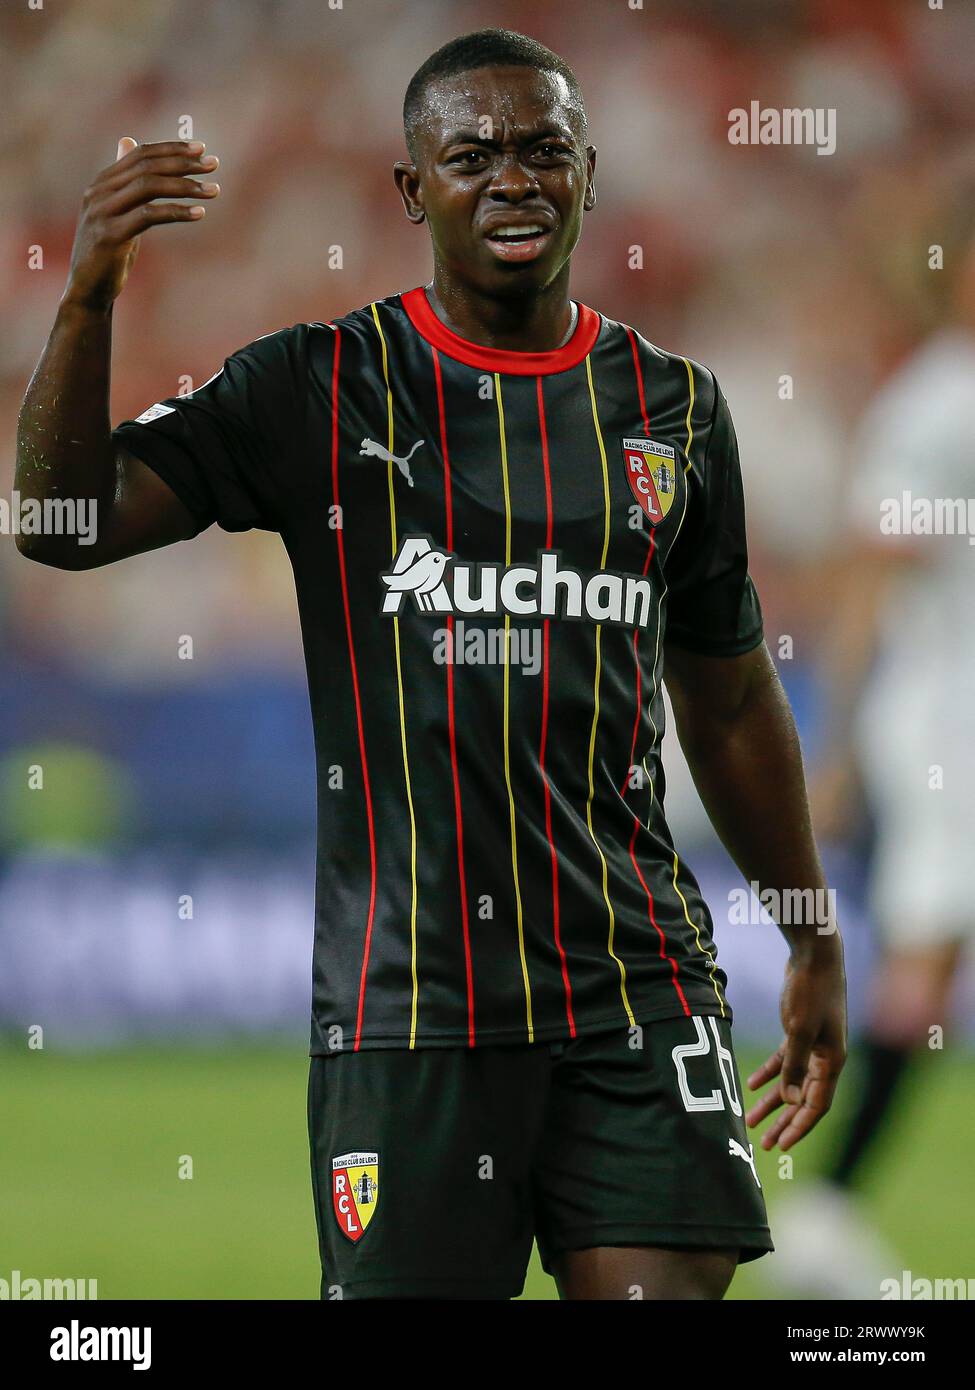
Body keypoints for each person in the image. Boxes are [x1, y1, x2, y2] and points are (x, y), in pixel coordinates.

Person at [15, 28, 846, 1301]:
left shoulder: (675, 408)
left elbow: (729, 698)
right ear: (413, 190)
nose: (512, 179)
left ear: (588, 175)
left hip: (638, 985)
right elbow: (60, 528)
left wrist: (809, 931)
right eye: (472, 155)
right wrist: (87, 299)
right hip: (412, 1006)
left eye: (542, 151)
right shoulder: (318, 387)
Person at [772, 174, 975, 1298]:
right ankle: (827, 1214)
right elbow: (869, 576)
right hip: (946, 724)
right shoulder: (938, 406)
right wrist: (837, 741)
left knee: (930, 965)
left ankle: (829, 1215)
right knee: (926, 960)